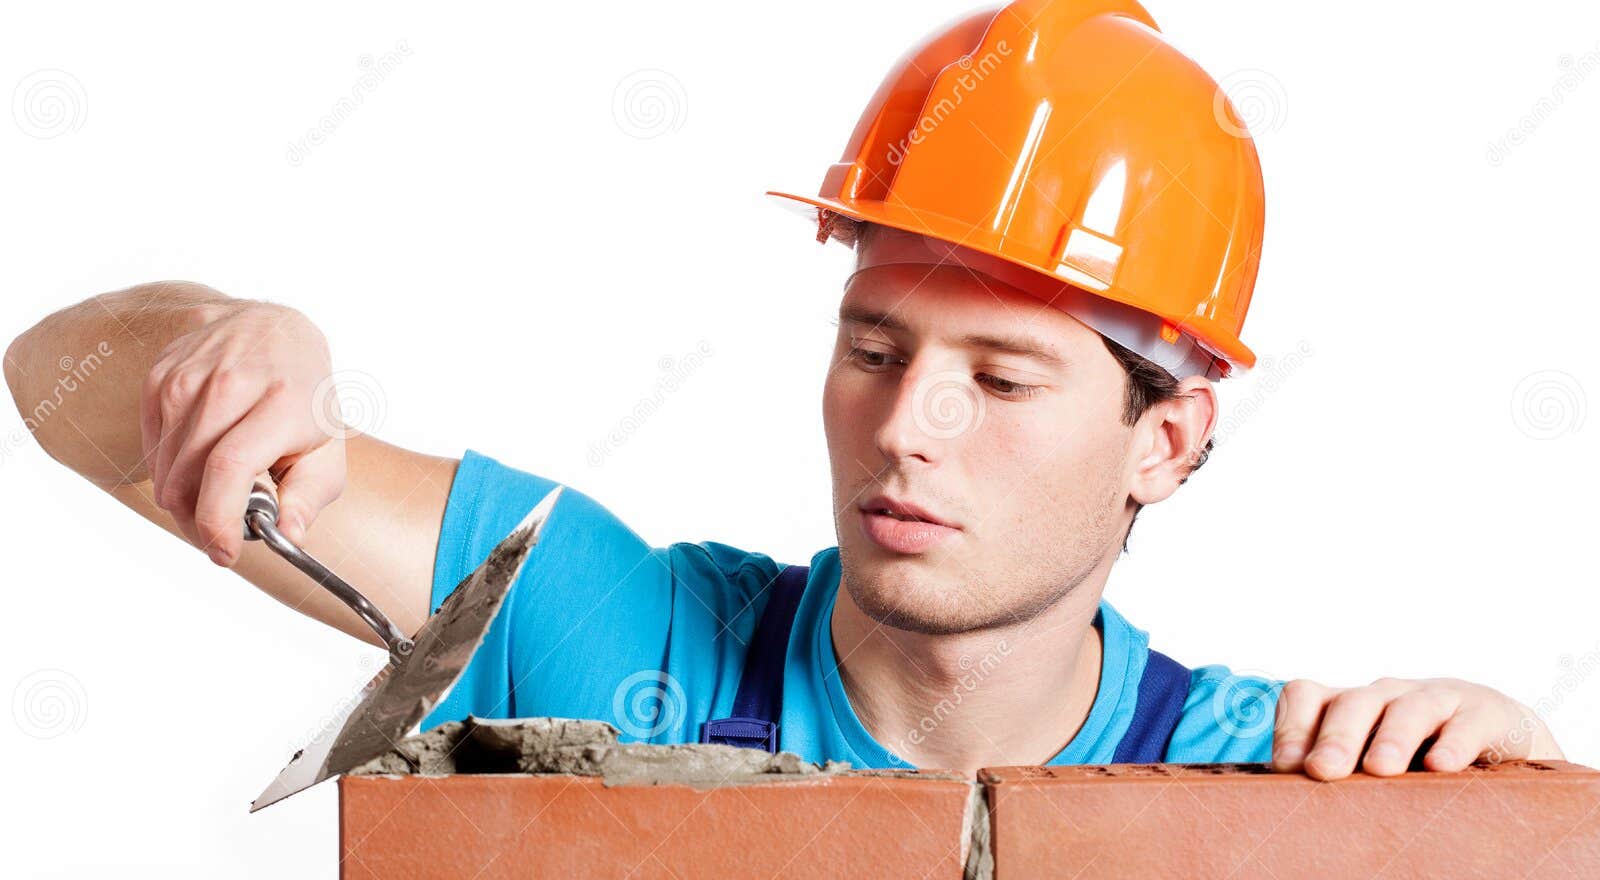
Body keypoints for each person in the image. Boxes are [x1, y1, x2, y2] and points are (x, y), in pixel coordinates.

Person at [3, 0, 1563, 778]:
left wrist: (1538, 803)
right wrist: (220, 334)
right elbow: (59, 383)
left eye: (1001, 378)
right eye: (874, 348)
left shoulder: (1264, 772)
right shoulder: (612, 636)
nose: (904, 426)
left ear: (1167, 438)